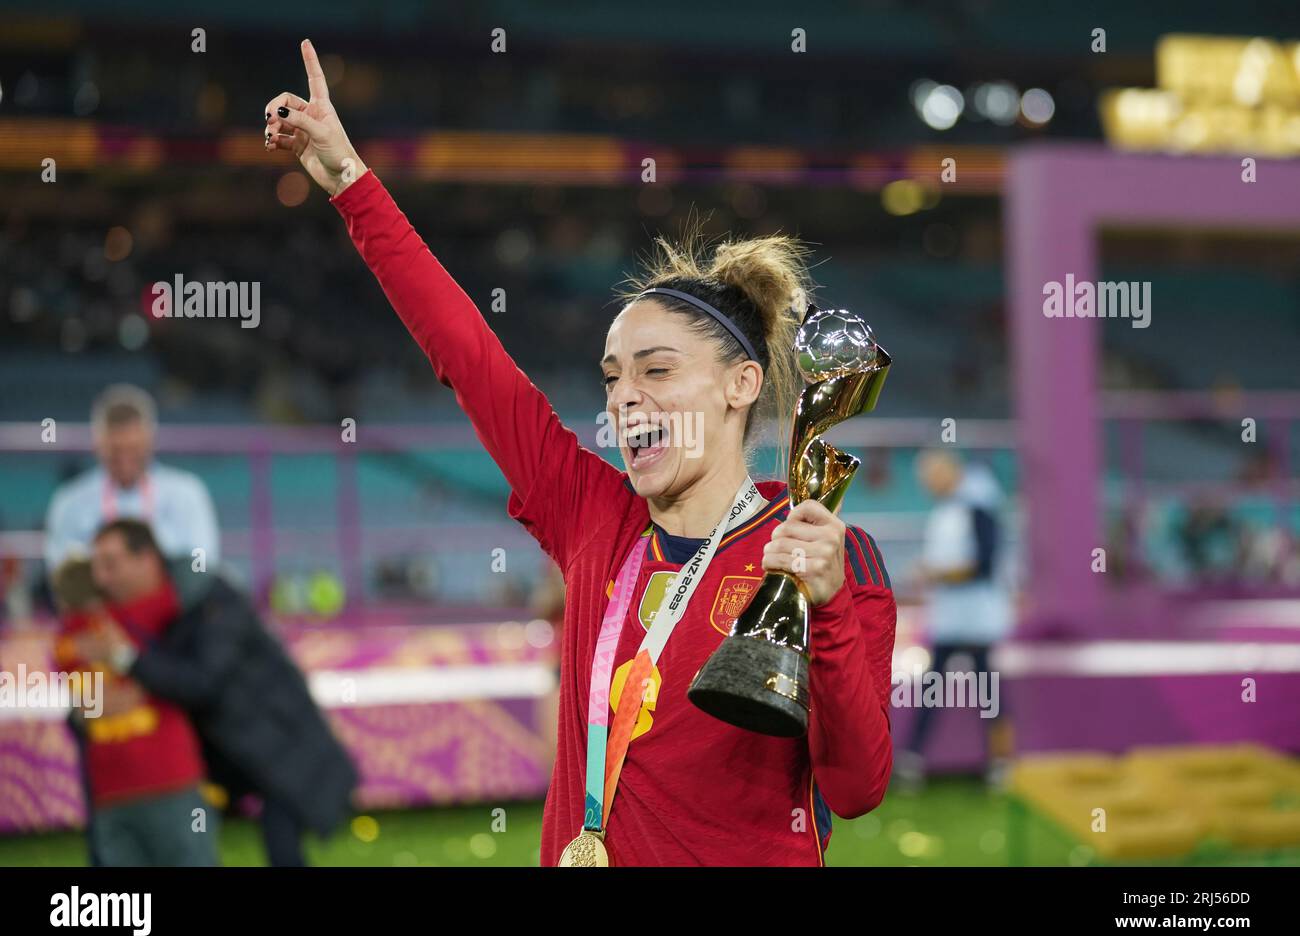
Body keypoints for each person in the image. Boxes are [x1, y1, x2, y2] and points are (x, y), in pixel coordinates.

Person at [261, 40, 896, 866]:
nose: (625, 396)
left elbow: (857, 789)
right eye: (612, 378)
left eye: (656, 371)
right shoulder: (592, 515)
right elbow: (472, 362)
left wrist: (832, 606)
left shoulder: (821, 557)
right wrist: (350, 181)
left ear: (741, 385)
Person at [82, 519, 358, 867]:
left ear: (147, 559)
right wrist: (90, 706)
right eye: (96, 567)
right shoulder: (136, 612)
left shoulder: (211, 602)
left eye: (111, 564)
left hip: (275, 748)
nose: (101, 578)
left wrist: (126, 658)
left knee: (279, 844)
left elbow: (202, 683)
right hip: (223, 758)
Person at [53, 557, 219, 867]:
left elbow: (86, 707)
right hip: (167, 776)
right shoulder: (138, 618)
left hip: (110, 787)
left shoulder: (66, 643)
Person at [898, 450, 1013, 789]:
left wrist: (936, 574)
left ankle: (1000, 762)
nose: (927, 485)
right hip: (953, 615)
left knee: (986, 688)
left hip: (976, 615)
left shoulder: (978, 504)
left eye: (931, 477)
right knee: (944, 685)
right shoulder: (955, 506)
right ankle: (915, 759)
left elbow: (985, 564)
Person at [44, 383, 221, 577]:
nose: (125, 460)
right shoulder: (69, 502)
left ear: (150, 440)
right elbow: (60, 572)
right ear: (98, 444)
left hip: (175, 604)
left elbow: (203, 564)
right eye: (115, 451)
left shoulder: (188, 494)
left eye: (134, 450)